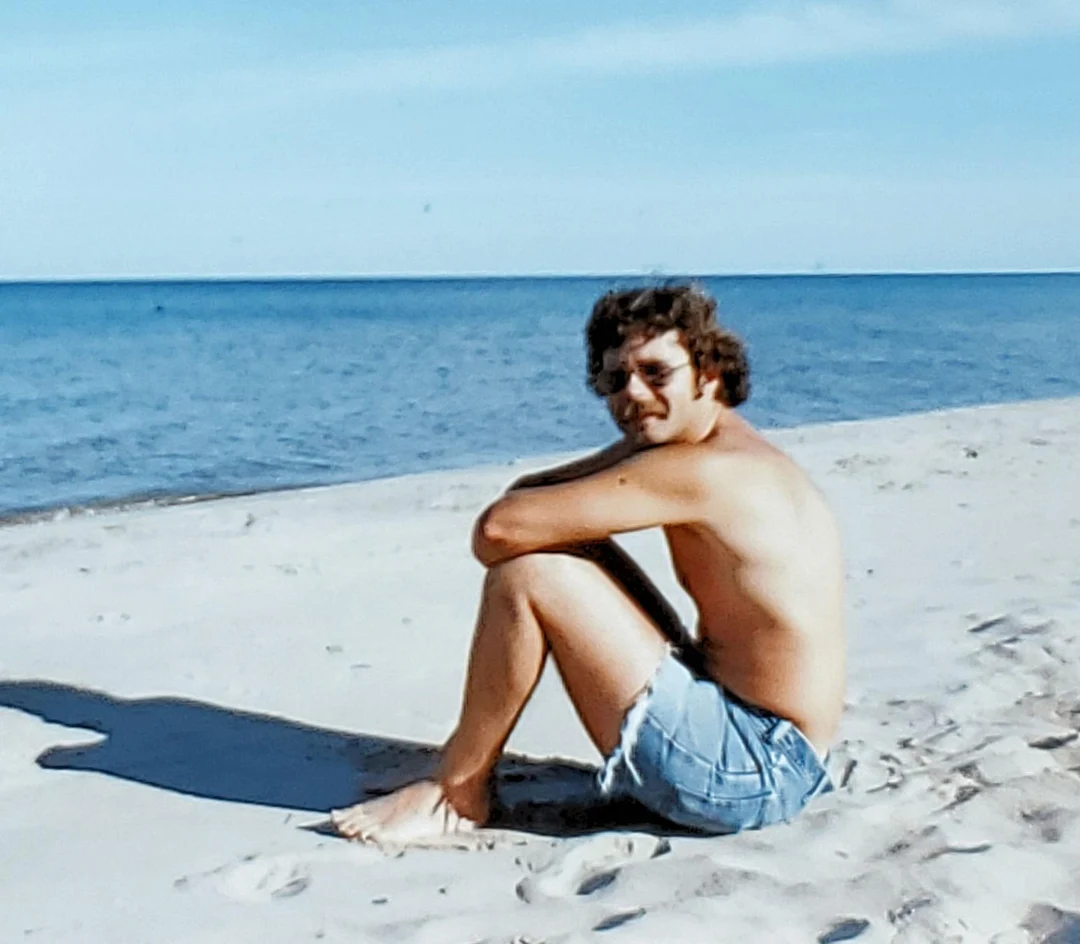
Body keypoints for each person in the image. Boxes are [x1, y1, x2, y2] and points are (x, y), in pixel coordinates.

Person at [331, 284, 845, 845]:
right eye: (615, 380)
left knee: (528, 574)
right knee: (571, 542)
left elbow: (497, 530)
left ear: (710, 373)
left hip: (752, 771)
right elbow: (527, 500)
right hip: (778, 753)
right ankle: (463, 774)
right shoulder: (719, 451)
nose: (634, 394)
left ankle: (457, 792)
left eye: (656, 373)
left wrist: (631, 450)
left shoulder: (704, 470)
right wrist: (636, 445)